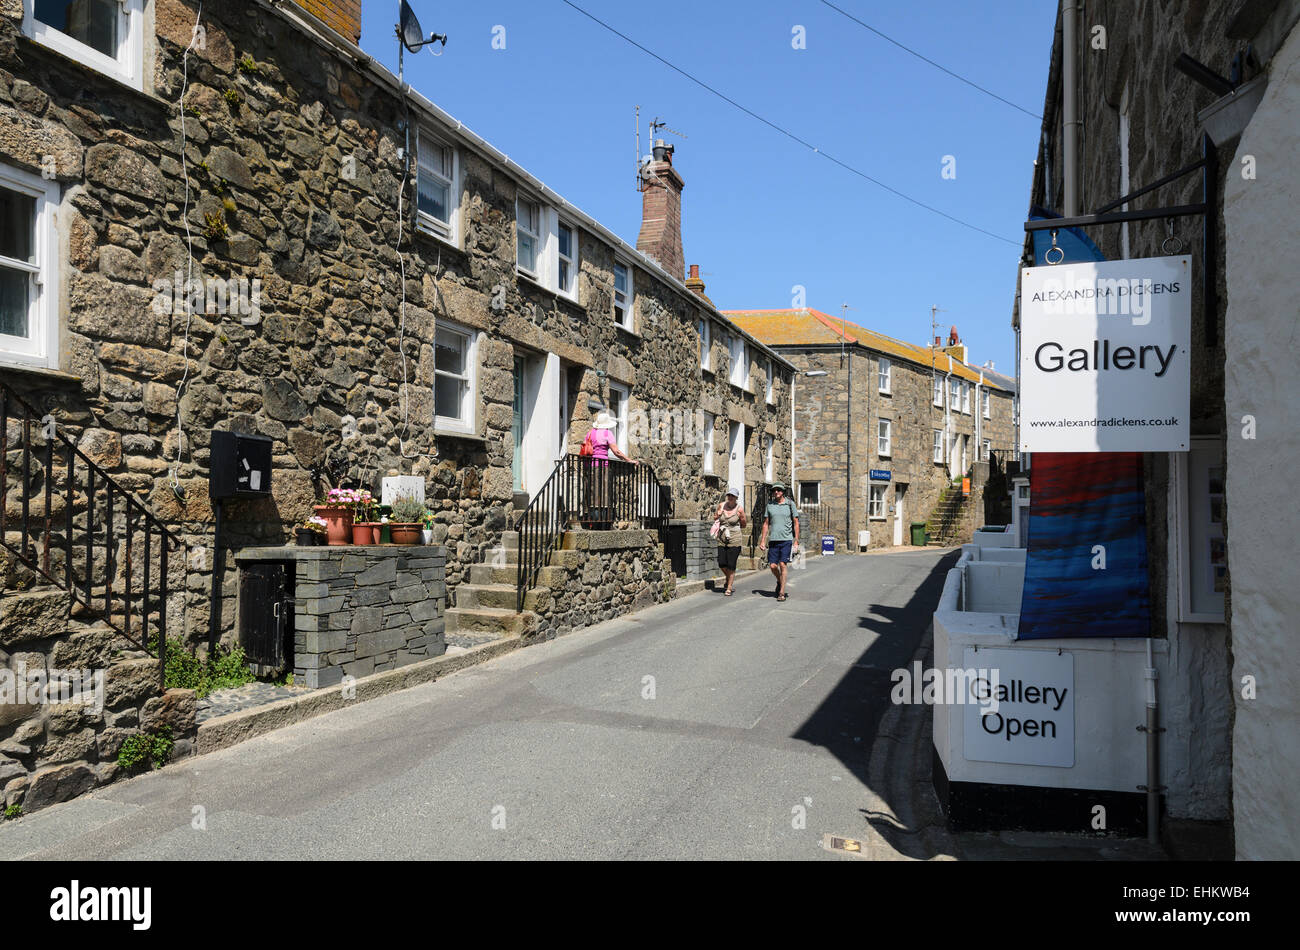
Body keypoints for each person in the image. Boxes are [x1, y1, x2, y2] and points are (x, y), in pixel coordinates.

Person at [582, 410, 635, 528]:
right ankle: (602, 523)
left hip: (591, 466)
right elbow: (616, 451)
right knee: (604, 494)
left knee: (593, 494)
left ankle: (592, 521)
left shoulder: (590, 433)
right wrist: (628, 460)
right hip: (603, 466)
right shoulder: (607, 434)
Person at [757, 482, 800, 602]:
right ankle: (780, 580)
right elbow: (766, 524)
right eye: (774, 490)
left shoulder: (790, 504)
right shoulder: (770, 505)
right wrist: (763, 540)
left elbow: (796, 523)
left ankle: (782, 592)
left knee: (782, 564)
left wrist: (796, 541)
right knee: (772, 566)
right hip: (774, 540)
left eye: (779, 490)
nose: (776, 492)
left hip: (786, 539)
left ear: (783, 492)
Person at [714, 487, 747, 596]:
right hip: (722, 537)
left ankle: (729, 587)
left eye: (732, 496)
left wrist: (734, 528)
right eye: (729, 495)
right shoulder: (721, 505)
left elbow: (744, 524)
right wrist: (718, 514)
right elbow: (715, 518)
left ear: (736, 497)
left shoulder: (739, 509)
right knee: (721, 563)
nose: (730, 497)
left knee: (731, 564)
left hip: (735, 538)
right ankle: (728, 578)